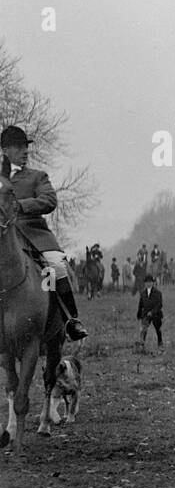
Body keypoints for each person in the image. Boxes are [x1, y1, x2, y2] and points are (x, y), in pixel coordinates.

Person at [0, 125, 88, 340]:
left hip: (35, 237)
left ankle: (70, 320)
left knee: (55, 266)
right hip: (4, 238)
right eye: (20, 147)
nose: (25, 152)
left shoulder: (37, 177)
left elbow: (49, 200)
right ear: (6, 150)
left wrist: (22, 205)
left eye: (26, 147)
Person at [137, 273, 164, 349]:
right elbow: (141, 304)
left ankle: (160, 342)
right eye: (147, 282)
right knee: (143, 329)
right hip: (146, 314)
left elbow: (159, 305)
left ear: (153, 282)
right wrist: (139, 313)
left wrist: (152, 312)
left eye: (150, 282)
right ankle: (142, 344)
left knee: (158, 329)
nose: (148, 284)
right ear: (145, 283)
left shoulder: (158, 293)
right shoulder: (143, 293)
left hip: (156, 314)